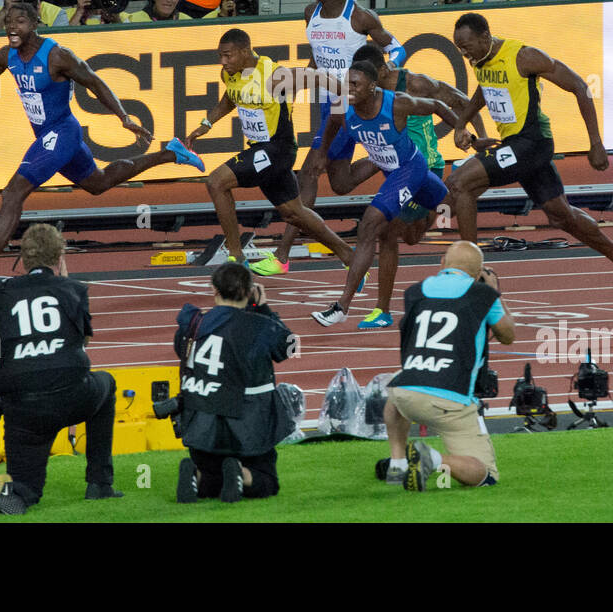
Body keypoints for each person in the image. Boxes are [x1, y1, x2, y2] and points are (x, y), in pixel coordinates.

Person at [0, 3, 204, 292]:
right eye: (8, 23)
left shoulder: (57, 56)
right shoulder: (7, 56)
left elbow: (95, 82)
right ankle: (171, 152)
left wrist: (123, 117)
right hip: (49, 135)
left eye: (19, 22)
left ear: (34, 24)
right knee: (99, 183)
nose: (11, 28)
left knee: (13, 192)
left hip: (63, 132)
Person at [446, 12, 613, 304]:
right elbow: (485, 89)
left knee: (460, 183)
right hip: (515, 146)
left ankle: (472, 276)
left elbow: (579, 86)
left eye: (466, 46)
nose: (463, 53)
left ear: (485, 37)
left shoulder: (524, 56)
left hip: (533, 143)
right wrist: (461, 122)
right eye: (458, 48)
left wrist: (595, 143)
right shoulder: (481, 61)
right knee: (560, 215)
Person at [265, 0, 405, 275]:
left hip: (351, 103)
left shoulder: (359, 16)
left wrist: (389, 67)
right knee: (340, 183)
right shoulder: (309, 14)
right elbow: (318, 55)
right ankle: (387, 155)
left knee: (311, 170)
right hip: (327, 103)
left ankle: (282, 255)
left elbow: (396, 47)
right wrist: (300, 84)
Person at [182, 28, 356, 269]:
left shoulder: (274, 75)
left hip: (278, 149)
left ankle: (236, 257)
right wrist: (207, 123)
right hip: (261, 149)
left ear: (245, 52)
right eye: (220, 56)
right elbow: (231, 98)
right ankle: (349, 256)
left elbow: (317, 77)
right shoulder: (229, 74)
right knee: (294, 213)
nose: (223, 61)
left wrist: (351, 94)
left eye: (228, 55)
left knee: (216, 182)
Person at [310, 58, 461, 326]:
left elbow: (437, 105)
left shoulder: (397, 103)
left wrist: (463, 131)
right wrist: (322, 154)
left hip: (410, 167)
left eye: (355, 84)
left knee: (371, 225)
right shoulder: (342, 106)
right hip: (389, 166)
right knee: (446, 205)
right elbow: (332, 124)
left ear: (373, 87)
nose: (349, 88)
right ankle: (431, 216)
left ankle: (342, 306)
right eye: (346, 83)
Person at [0, 224, 120, 512]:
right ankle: (100, 482)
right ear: (60, 256)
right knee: (107, 384)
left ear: (22, 259)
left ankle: (15, 492)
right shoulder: (73, 289)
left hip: (22, 404)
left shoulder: (5, 292)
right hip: (71, 393)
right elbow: (82, 339)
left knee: (25, 486)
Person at [381, 240, 515, 489]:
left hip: (405, 393)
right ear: (478, 274)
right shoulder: (483, 294)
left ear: (441, 263)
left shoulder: (414, 291)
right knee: (485, 474)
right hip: (449, 399)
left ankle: (397, 463)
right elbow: (508, 335)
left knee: (398, 389)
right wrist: (495, 292)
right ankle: (433, 458)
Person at [172, 262, 294, 503]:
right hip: (247, 425)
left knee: (212, 475)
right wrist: (264, 308)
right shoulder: (259, 326)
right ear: (250, 292)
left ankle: (197, 475)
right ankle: (242, 473)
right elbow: (288, 347)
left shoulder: (192, 324)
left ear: (214, 290)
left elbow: (181, 351)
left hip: (200, 424)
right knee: (267, 481)